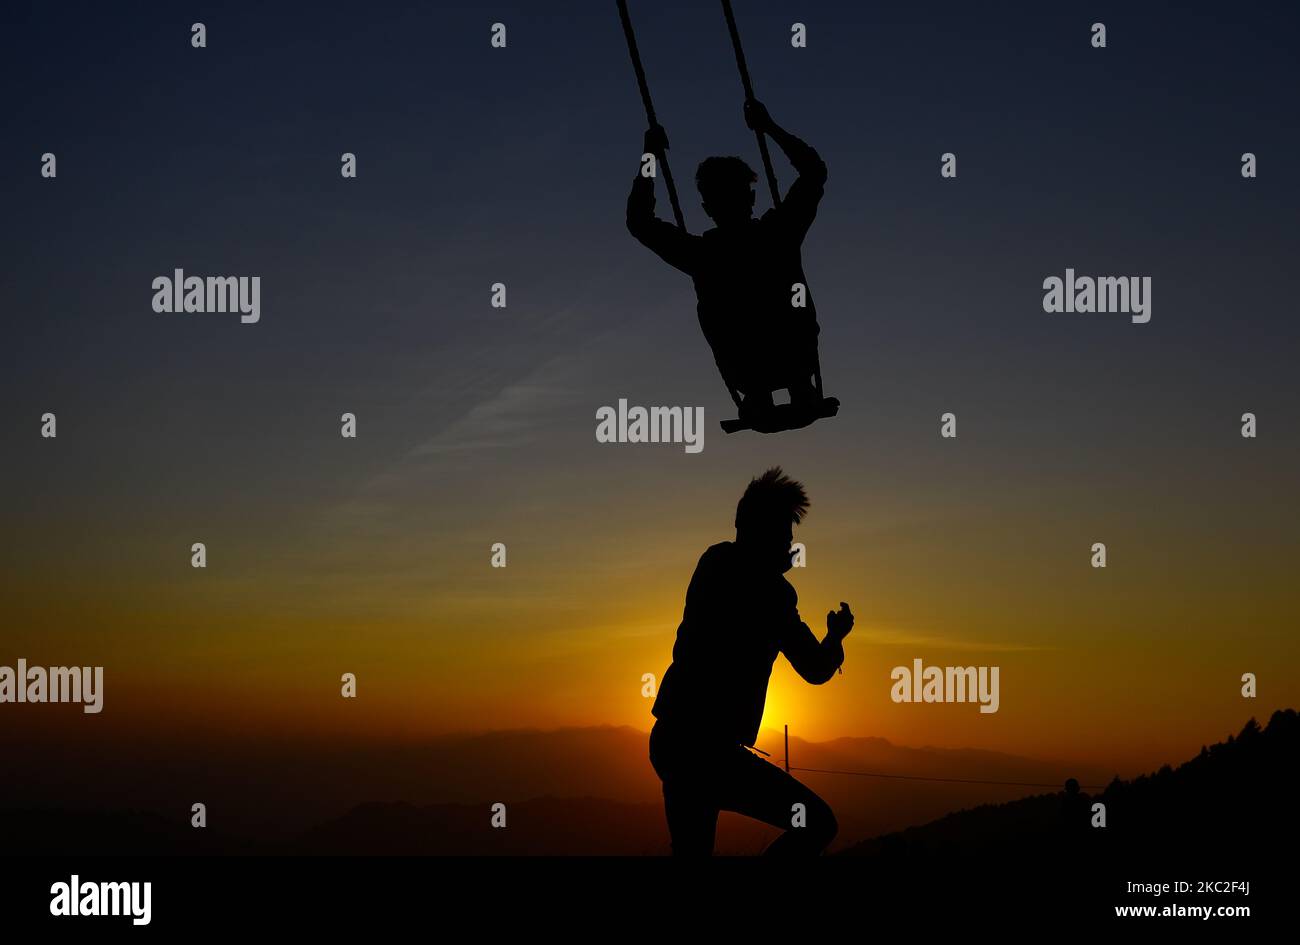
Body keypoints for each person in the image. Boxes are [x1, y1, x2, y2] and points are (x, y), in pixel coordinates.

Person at [648, 467, 854, 855]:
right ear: (766, 532)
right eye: (785, 536)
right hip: (711, 754)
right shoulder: (774, 593)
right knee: (817, 823)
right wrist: (836, 637)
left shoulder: (712, 563)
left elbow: (742, 588)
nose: (790, 546)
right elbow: (814, 668)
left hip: (673, 741)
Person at [626, 101, 828, 424]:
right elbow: (814, 172)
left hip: (745, 368)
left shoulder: (702, 255)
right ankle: (799, 387)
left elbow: (639, 221)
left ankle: (760, 394)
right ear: (751, 198)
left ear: (707, 208)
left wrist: (650, 157)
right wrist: (769, 127)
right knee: (788, 299)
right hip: (793, 358)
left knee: (725, 314)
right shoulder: (780, 232)